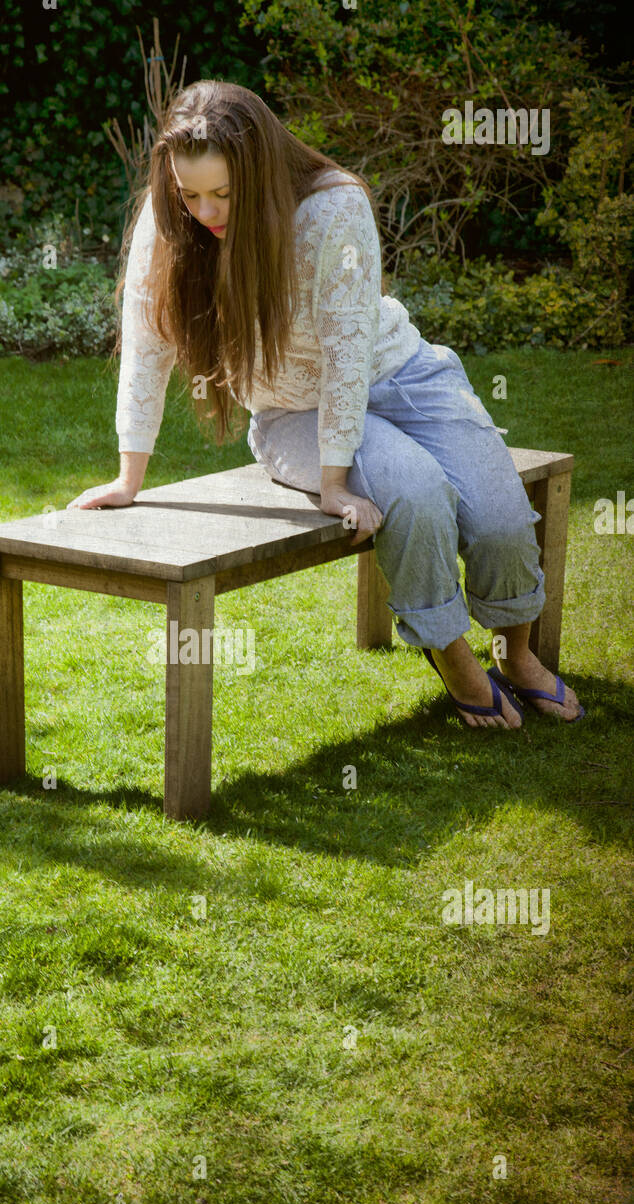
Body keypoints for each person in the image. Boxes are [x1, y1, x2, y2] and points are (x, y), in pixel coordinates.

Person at [67, 81, 584, 728]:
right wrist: (128, 477)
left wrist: (336, 479)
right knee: (417, 492)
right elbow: (147, 346)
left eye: (223, 194)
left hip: (403, 376)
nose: (205, 211)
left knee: (503, 514)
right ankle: (453, 657)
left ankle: (516, 654)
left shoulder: (333, 207)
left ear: (259, 173)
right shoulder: (169, 222)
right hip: (293, 415)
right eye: (189, 192)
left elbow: (347, 350)